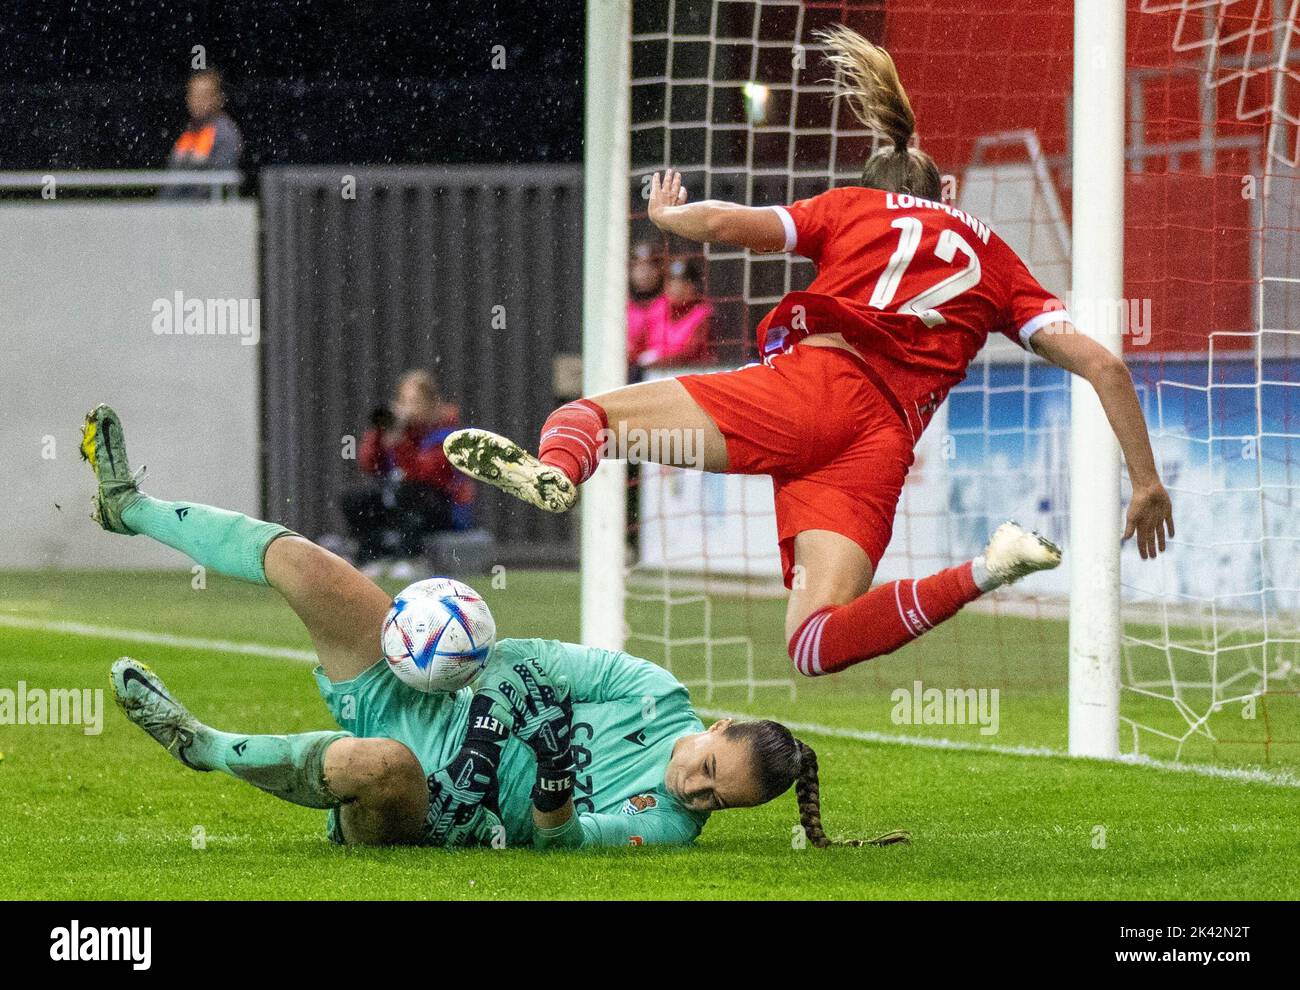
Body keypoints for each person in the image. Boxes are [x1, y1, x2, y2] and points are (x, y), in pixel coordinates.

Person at [443, 25, 1175, 680]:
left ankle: (560, 474)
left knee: (589, 416)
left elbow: (733, 224)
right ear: (943, 193)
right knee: (816, 642)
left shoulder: (852, 206)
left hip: (811, 389)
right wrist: (1143, 481)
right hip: (883, 444)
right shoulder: (1000, 261)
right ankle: (989, 567)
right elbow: (1105, 365)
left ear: (876, 184)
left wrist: (670, 216)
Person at [80, 404, 906, 849]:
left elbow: (558, 841)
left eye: (712, 801)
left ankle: (204, 747)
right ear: (717, 727)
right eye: (709, 770)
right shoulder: (654, 693)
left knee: (380, 763)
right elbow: (518, 657)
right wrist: (486, 718)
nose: (694, 791)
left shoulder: (665, 829)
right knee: (305, 562)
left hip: (433, 805)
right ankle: (131, 507)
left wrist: (548, 773)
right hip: (421, 687)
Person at [340, 369, 472, 578]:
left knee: (409, 493)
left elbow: (424, 473)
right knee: (355, 498)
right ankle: (371, 556)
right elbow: (369, 465)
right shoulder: (400, 430)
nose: (409, 409)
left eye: (415, 402)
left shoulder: (447, 433)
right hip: (401, 499)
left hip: (439, 505)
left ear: (431, 403)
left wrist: (401, 443)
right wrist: (380, 434)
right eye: (404, 401)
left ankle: (411, 557)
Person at [162, 68, 242, 198]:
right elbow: (171, 180)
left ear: (219, 98)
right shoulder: (190, 132)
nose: (198, 101)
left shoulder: (225, 134)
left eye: (204, 95)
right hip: (176, 210)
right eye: (193, 94)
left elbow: (215, 184)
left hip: (204, 211)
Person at [632, 257, 715, 368]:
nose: (676, 287)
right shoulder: (657, 308)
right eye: (672, 281)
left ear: (693, 286)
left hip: (687, 373)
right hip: (651, 373)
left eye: (682, 282)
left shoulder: (702, 313)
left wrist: (659, 358)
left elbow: (689, 353)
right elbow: (639, 344)